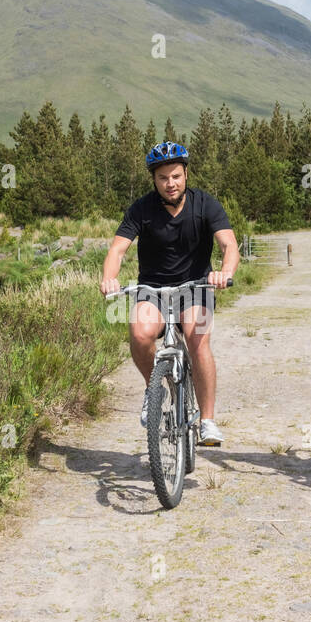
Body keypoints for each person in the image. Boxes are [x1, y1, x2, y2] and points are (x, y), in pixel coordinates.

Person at [100, 141, 238, 446]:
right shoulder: (141, 208)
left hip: (196, 287)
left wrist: (224, 272)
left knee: (197, 338)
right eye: (163, 178)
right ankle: (156, 389)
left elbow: (229, 245)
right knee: (139, 334)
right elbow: (118, 249)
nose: (170, 183)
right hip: (153, 289)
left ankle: (208, 420)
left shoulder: (206, 204)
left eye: (175, 176)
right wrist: (109, 278)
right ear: (154, 180)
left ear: (186, 174)